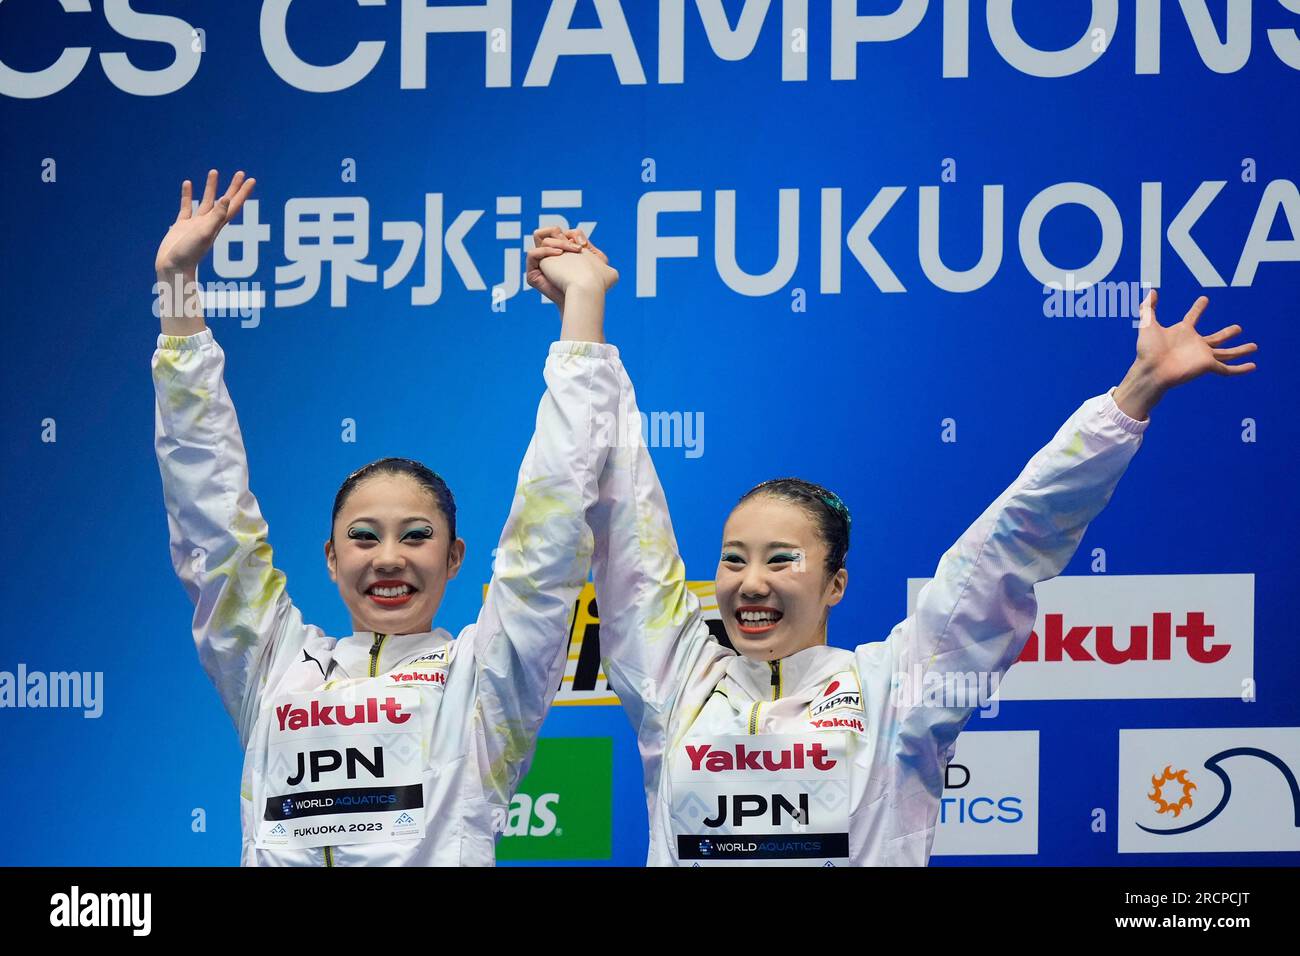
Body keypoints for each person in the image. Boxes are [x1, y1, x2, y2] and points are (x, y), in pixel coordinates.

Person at [580, 280, 1257, 865]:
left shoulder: (899, 689)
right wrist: (583, 319)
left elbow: (1010, 542)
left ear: (835, 583)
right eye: (734, 560)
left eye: (781, 559)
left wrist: (1133, 394)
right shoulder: (678, 686)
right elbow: (626, 524)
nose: (750, 582)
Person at [152, 170, 619, 865]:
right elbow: (210, 520)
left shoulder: (485, 679)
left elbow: (548, 537)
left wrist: (581, 309)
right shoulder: (275, 668)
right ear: (332, 559)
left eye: (417, 536)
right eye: (363, 539)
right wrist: (177, 286)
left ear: (455, 558)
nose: (389, 558)